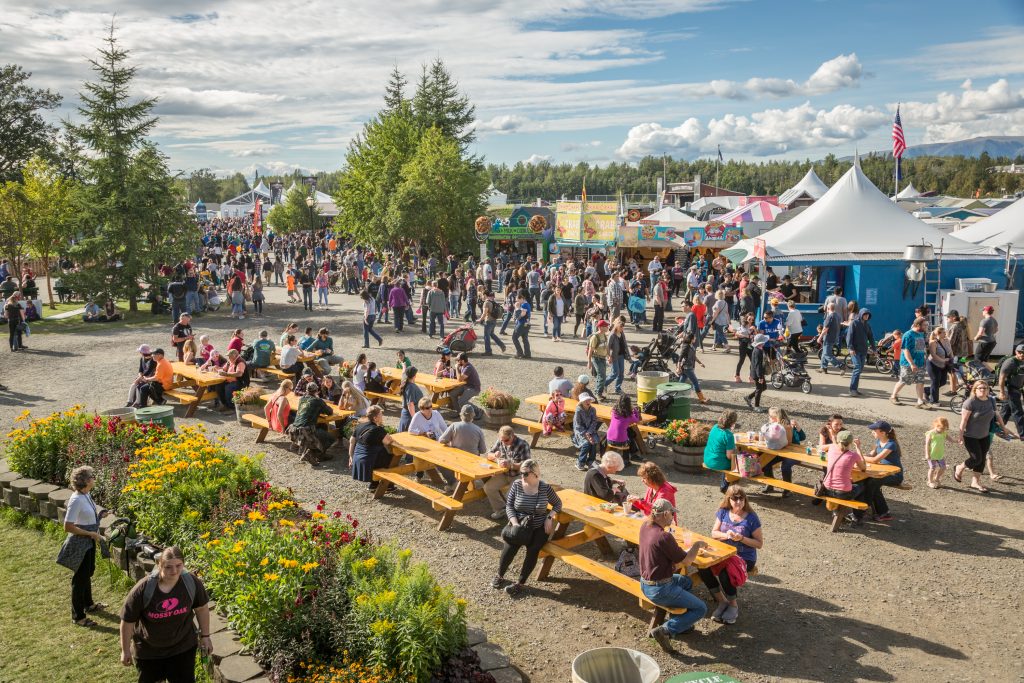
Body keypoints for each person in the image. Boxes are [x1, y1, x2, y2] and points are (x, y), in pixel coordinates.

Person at [119, 546, 212, 683]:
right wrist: (125, 650)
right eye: (168, 567)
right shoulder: (143, 589)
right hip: (149, 652)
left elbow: (202, 609)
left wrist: (205, 636)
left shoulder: (191, 583)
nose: (174, 571)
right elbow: (127, 621)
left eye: (178, 566)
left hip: (183, 648)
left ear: (183, 564)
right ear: (159, 565)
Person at [640, 498, 708, 652]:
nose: (673, 517)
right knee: (701, 609)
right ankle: (665, 630)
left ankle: (679, 621)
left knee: (686, 582)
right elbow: (688, 561)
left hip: (645, 582)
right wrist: (697, 545)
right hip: (661, 588)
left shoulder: (645, 525)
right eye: (672, 513)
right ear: (664, 514)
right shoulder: (664, 537)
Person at [491, 459, 562, 597]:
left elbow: (558, 504)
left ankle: (520, 583)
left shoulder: (545, 487)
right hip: (519, 523)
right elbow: (509, 506)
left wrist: (549, 517)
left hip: (538, 526)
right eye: (520, 473)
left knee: (532, 551)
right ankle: (499, 575)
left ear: (535, 473)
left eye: (525, 473)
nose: (522, 476)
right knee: (510, 547)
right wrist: (515, 523)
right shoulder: (517, 485)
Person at [698, 485, 763, 625]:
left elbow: (759, 543)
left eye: (741, 498)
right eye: (735, 498)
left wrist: (742, 538)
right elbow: (714, 533)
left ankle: (733, 605)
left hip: (744, 557)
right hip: (722, 553)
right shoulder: (723, 512)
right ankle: (721, 600)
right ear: (729, 499)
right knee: (702, 566)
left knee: (724, 573)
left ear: (745, 500)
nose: (738, 502)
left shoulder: (752, 518)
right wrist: (725, 534)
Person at [62, 465, 109, 628]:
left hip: (88, 540)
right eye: (92, 476)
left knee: (87, 572)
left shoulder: (86, 495)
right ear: (87, 481)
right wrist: (91, 534)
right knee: (80, 578)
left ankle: (88, 604)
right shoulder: (76, 499)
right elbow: (68, 526)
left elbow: (86, 518)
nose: (94, 478)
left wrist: (99, 515)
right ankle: (78, 616)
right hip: (80, 542)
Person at [954, 382, 1006, 493]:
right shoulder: (970, 402)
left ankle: (975, 482)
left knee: (982, 460)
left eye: (985, 388)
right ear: (975, 389)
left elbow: (997, 415)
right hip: (970, 436)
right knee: (976, 459)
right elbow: (964, 421)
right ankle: (960, 467)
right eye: (980, 388)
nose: (983, 390)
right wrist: (960, 436)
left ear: (988, 390)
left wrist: (1004, 428)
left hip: (985, 435)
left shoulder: (991, 400)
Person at [821, 430, 867, 528]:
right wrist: (858, 448)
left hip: (826, 489)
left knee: (848, 485)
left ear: (838, 440)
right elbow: (863, 468)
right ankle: (857, 517)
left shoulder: (832, 448)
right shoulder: (853, 455)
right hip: (842, 492)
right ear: (850, 443)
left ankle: (836, 511)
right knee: (862, 487)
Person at [483, 425, 531, 519]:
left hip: (518, 475)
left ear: (512, 436)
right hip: (504, 473)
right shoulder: (501, 441)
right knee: (488, 488)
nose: (504, 443)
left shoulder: (523, 444)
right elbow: (488, 454)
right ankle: (501, 509)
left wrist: (510, 465)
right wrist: (495, 457)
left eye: (506, 441)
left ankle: (516, 516)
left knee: (509, 495)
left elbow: (526, 466)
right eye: (502, 440)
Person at [860, 421, 904, 523]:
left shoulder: (891, 444)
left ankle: (862, 510)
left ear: (883, 432)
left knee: (872, 483)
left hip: (894, 475)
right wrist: (858, 452)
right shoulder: (878, 441)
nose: (872, 432)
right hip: (882, 472)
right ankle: (883, 512)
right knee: (867, 481)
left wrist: (859, 458)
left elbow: (875, 460)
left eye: (874, 430)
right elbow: (871, 455)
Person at [289, 384, 335, 465]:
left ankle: (320, 455)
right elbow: (329, 411)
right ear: (317, 391)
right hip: (305, 431)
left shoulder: (302, 399)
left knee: (323, 426)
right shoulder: (317, 401)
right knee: (331, 438)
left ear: (306, 390)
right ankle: (310, 454)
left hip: (294, 429)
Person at [890, 317, 930, 409]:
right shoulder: (908, 335)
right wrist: (912, 363)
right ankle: (893, 396)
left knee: (920, 381)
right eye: (924, 325)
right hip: (908, 364)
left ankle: (920, 402)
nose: (926, 327)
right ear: (917, 325)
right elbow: (905, 350)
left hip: (920, 363)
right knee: (904, 381)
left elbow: (922, 348)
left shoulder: (921, 334)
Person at [704, 410, 739, 492]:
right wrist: (737, 451)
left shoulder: (715, 427)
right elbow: (729, 456)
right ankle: (728, 486)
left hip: (707, 458)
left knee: (729, 459)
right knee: (739, 464)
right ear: (732, 422)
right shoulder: (729, 435)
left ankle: (725, 484)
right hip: (717, 462)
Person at [997, 344, 1024, 438]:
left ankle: (997, 428)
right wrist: (1001, 392)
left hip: (1017, 389)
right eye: (1020, 352)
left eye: (1023, 353)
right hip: (1009, 389)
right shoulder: (1010, 362)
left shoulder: (1022, 361)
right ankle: (1023, 434)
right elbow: (1002, 377)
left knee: (1006, 411)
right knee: (1018, 411)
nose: (1022, 354)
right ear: (1016, 352)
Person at [846, 308, 873, 397]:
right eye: (865, 314)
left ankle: (855, 389)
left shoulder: (867, 325)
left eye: (868, 315)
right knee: (857, 367)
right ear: (861, 314)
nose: (866, 316)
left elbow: (871, 337)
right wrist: (850, 348)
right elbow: (849, 336)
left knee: (860, 369)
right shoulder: (854, 323)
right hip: (855, 350)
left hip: (863, 350)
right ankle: (852, 389)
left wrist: (874, 349)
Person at [606, 393, 640, 464]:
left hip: (609, 438)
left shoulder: (614, 411)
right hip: (620, 442)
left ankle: (630, 457)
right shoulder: (629, 415)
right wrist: (635, 411)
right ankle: (626, 461)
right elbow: (637, 420)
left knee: (628, 433)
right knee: (629, 438)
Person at [675, 333, 708, 404]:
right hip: (687, 368)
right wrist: (678, 367)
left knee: (681, 383)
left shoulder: (691, 346)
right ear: (691, 339)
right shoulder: (686, 346)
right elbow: (680, 358)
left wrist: (700, 363)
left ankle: (675, 395)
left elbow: (694, 356)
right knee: (695, 382)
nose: (695, 339)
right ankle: (701, 398)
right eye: (694, 338)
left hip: (688, 367)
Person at [572, 392, 602, 471]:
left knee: (594, 441)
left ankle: (591, 461)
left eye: (588, 400)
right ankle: (580, 462)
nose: (588, 402)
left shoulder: (593, 409)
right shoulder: (578, 410)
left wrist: (589, 432)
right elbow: (577, 425)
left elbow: (594, 422)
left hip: (590, 430)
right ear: (582, 402)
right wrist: (586, 435)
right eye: (585, 400)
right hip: (580, 431)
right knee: (586, 444)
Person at [926, 327, 953, 407]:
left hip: (944, 364)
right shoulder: (933, 342)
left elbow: (950, 351)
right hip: (933, 364)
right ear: (938, 333)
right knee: (935, 381)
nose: (945, 334)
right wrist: (944, 360)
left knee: (943, 382)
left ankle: (926, 390)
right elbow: (933, 355)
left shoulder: (947, 340)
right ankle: (933, 401)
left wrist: (952, 359)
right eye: (944, 332)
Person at [744, 334, 769, 413]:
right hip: (757, 373)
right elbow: (757, 365)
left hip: (758, 373)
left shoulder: (759, 349)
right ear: (761, 343)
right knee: (759, 389)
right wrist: (760, 377)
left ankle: (749, 397)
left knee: (764, 387)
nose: (765, 343)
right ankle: (756, 406)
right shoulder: (757, 351)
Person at [604, 320, 629, 396]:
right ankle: (604, 384)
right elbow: (607, 347)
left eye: (623, 327)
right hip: (614, 356)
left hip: (621, 355)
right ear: (617, 326)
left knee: (621, 373)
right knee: (615, 373)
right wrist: (608, 357)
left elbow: (625, 344)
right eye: (621, 327)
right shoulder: (612, 335)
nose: (622, 328)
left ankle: (617, 388)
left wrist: (628, 355)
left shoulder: (621, 333)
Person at [587, 320, 610, 400]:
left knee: (600, 376)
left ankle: (598, 392)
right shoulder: (595, 337)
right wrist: (589, 362)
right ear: (600, 327)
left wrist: (608, 356)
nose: (607, 327)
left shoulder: (604, 335)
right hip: (596, 358)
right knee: (602, 376)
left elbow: (606, 347)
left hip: (603, 358)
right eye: (605, 326)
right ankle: (598, 393)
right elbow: (590, 350)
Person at [924, 416, 949, 489]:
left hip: (940, 454)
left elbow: (948, 437)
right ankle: (930, 481)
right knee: (932, 468)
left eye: (944, 428)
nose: (943, 430)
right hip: (932, 455)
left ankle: (937, 478)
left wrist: (955, 441)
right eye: (941, 428)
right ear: (936, 426)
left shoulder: (943, 433)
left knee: (943, 467)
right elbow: (927, 444)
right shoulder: (930, 433)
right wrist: (927, 454)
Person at [398, 366, 424, 433]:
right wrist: (414, 419)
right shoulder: (410, 387)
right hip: (409, 416)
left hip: (407, 415)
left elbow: (403, 373)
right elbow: (410, 404)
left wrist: (404, 366)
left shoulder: (405, 381)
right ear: (414, 375)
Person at [818, 302, 842, 372]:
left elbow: (825, 329)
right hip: (835, 337)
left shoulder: (829, 317)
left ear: (828, 308)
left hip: (829, 338)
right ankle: (823, 367)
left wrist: (820, 337)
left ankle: (840, 365)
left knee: (827, 354)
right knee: (824, 352)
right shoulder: (838, 316)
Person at [511, 291, 532, 359]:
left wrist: (517, 308)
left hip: (522, 324)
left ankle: (520, 353)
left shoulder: (524, 305)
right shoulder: (527, 304)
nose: (517, 302)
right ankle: (527, 354)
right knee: (525, 339)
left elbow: (523, 314)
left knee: (514, 337)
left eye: (518, 300)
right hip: (526, 324)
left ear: (521, 299)